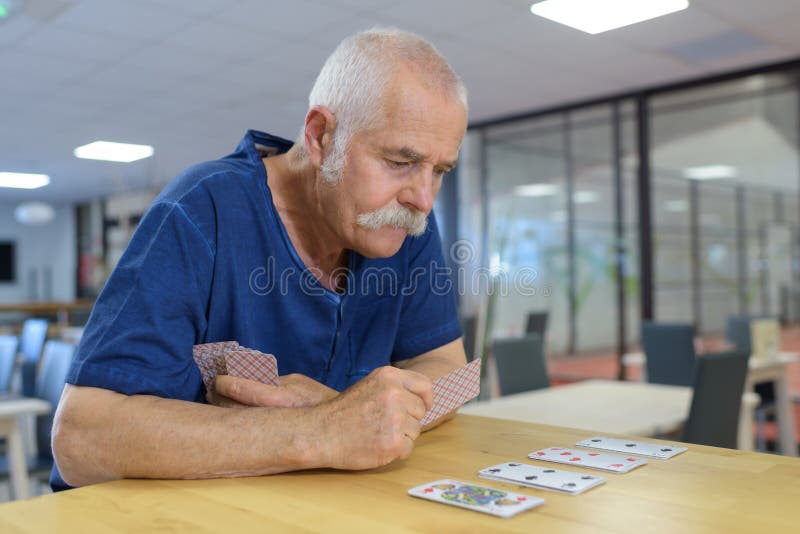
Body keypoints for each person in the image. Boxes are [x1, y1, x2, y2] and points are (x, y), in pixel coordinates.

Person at [52, 27, 469, 490]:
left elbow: (447, 366)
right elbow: (81, 438)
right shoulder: (200, 210)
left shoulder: (401, 224)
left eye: (440, 171)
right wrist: (325, 427)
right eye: (400, 161)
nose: (423, 197)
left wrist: (346, 409)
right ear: (320, 136)